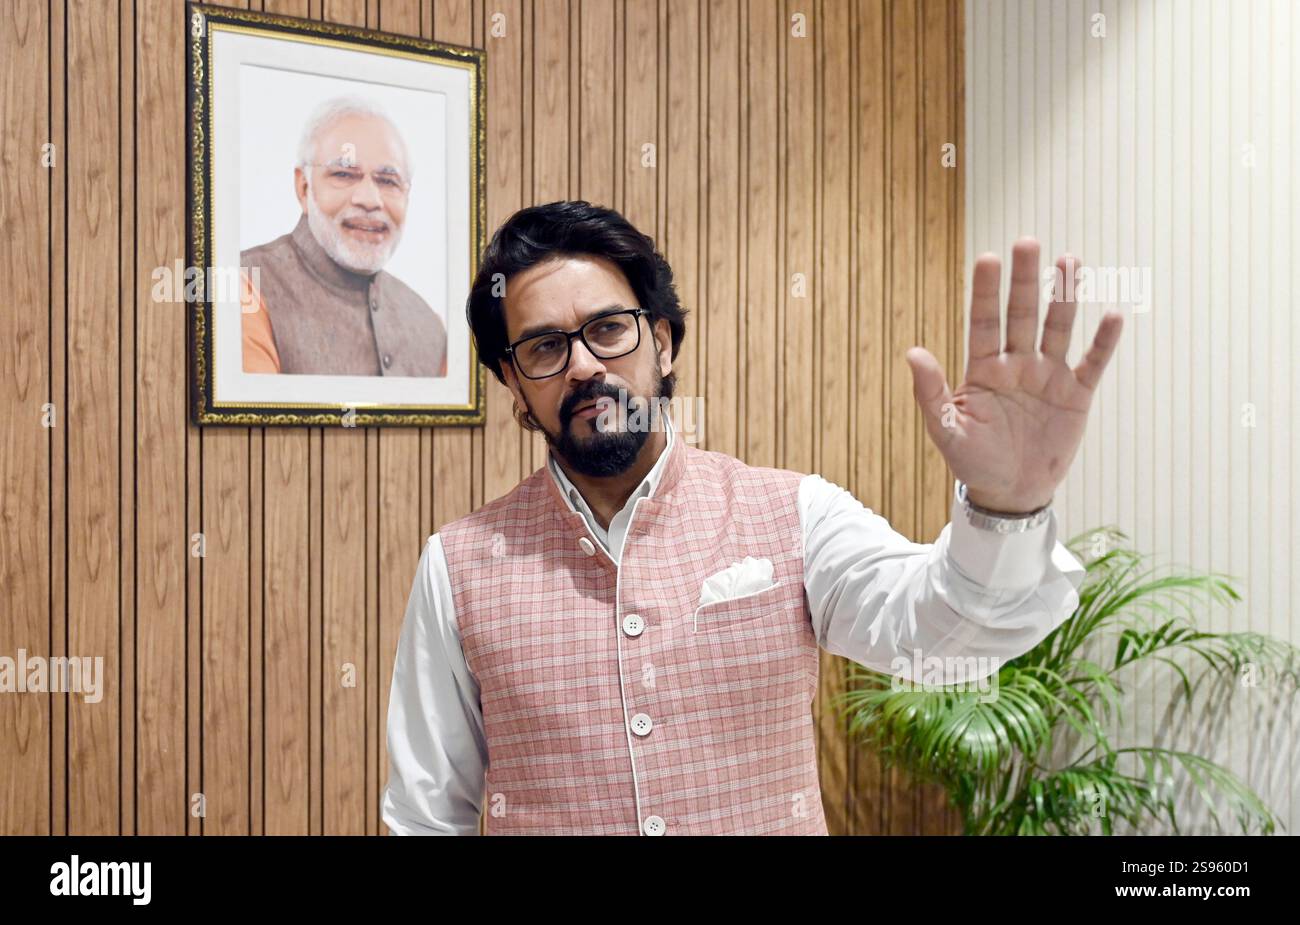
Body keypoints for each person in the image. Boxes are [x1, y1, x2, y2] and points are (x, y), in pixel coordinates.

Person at [382, 200, 1124, 835]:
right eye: (545, 346)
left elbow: (944, 631)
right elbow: (424, 815)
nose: (582, 365)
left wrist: (1006, 505)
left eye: (608, 329)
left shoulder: (792, 513)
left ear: (662, 342)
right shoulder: (459, 564)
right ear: (514, 383)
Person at [239, 96, 447, 377]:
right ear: (303, 188)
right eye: (344, 175)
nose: (369, 200)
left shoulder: (428, 325)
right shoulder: (245, 286)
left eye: (388, 181)